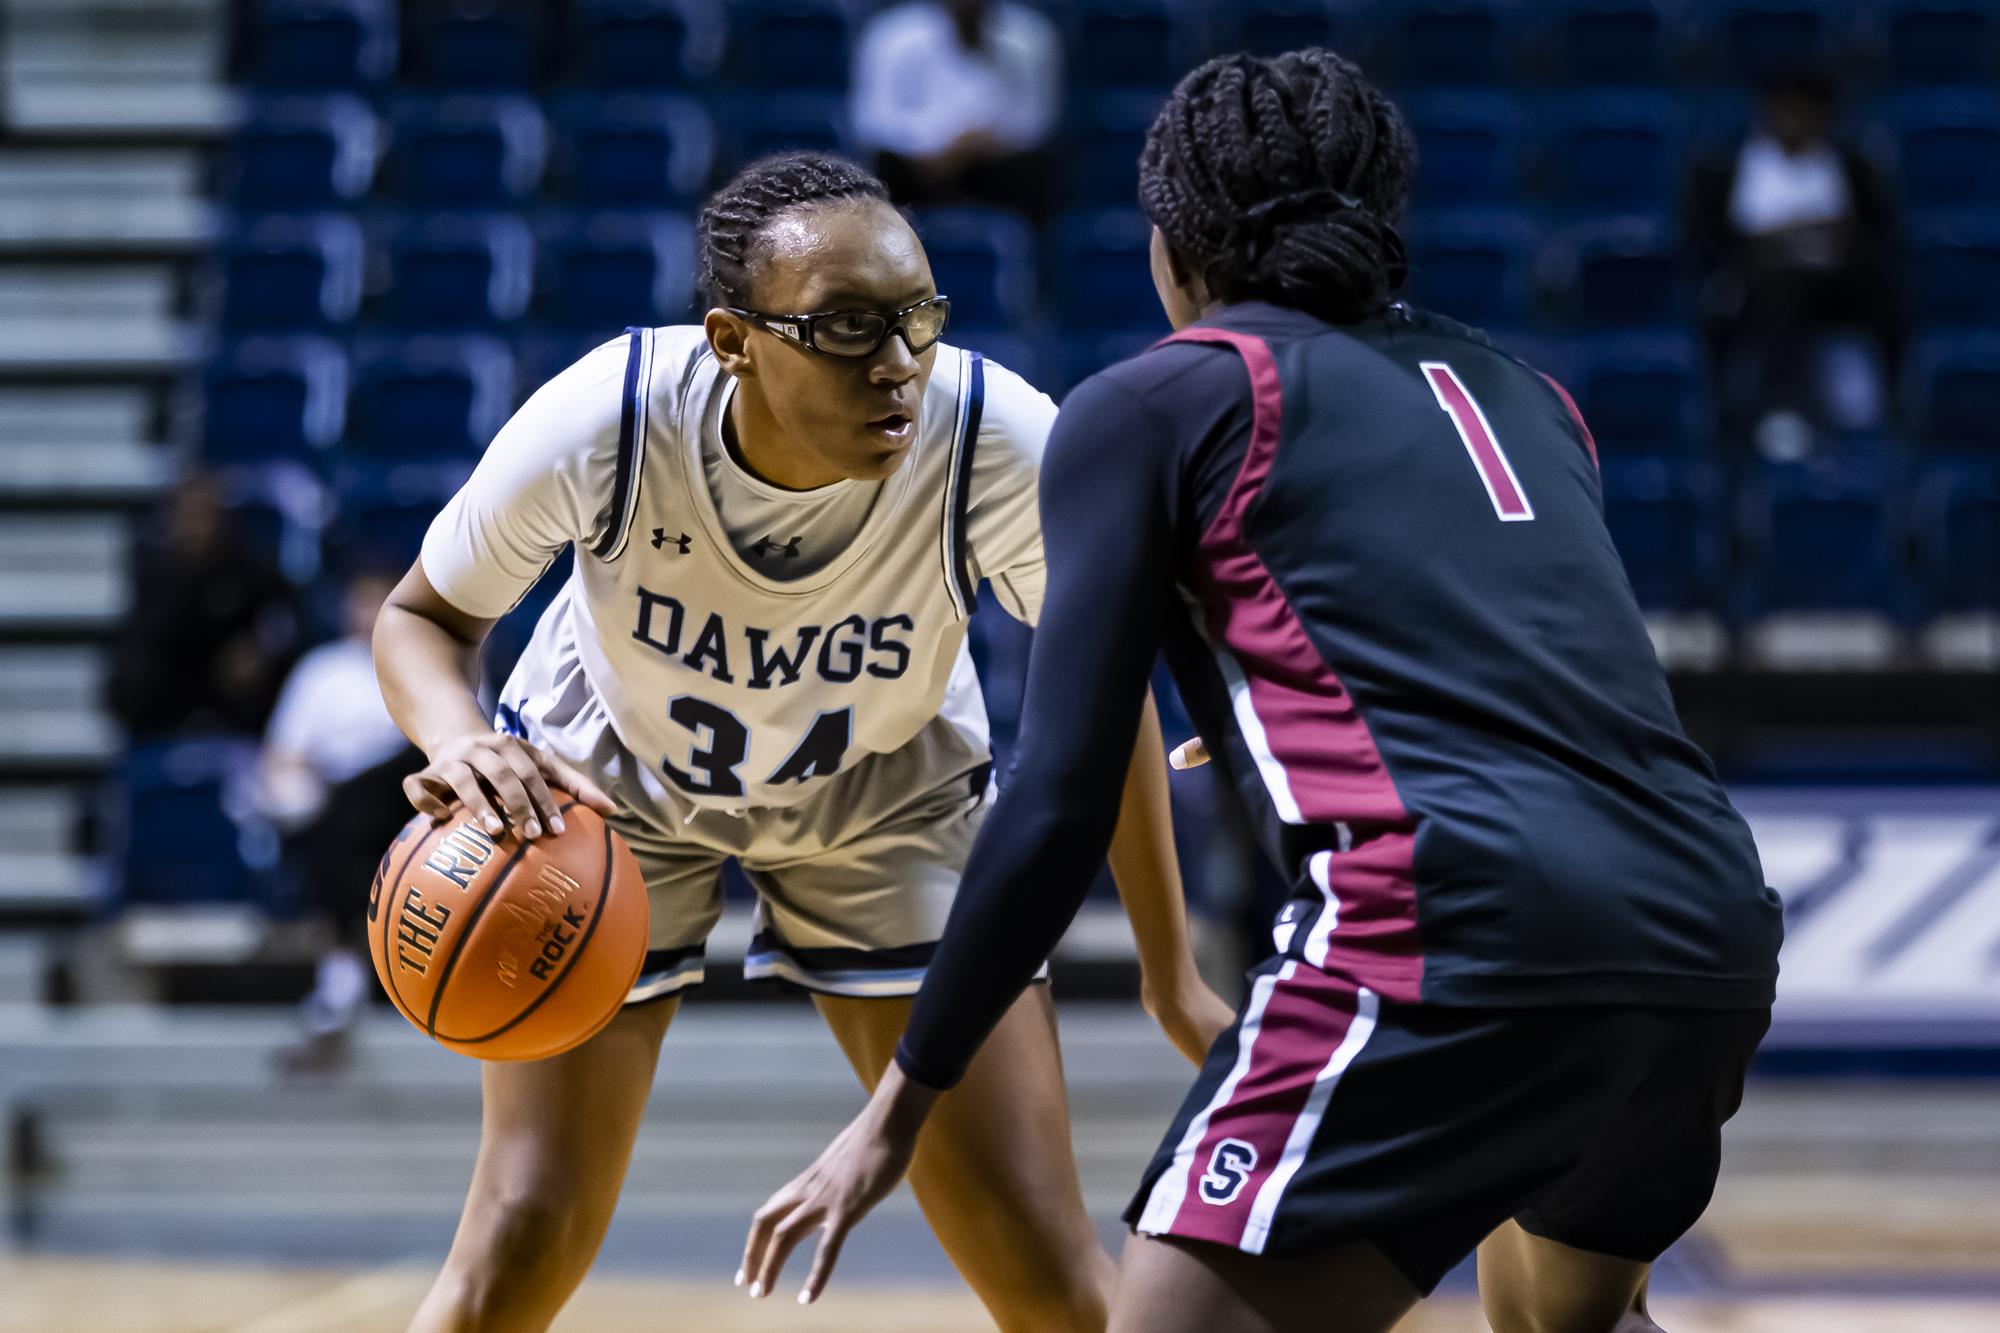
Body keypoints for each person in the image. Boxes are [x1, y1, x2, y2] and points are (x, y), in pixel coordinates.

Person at [743, 51, 1785, 1333]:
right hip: (1702, 933)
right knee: (1563, 1321)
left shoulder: (1157, 399)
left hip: (1453, 924)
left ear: (1172, 243)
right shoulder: (1525, 396)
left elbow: (1056, 798)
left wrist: (898, 1104)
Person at [374, 151, 1228, 1332]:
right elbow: (419, 617)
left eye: (917, 317)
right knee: (518, 1238)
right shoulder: (608, 418)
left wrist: (1167, 969)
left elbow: (1103, 692)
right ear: (732, 340)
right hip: (608, 784)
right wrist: (461, 734)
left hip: (884, 797)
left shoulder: (993, 438)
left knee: (1045, 1265)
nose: (897, 364)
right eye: (846, 328)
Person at [1688, 70, 1904, 458]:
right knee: (1779, 292)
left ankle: (1893, 401)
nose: (1795, 120)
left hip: (1835, 281)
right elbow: (1712, 239)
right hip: (1761, 284)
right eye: (1787, 111)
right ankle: (1782, 409)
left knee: (1882, 287)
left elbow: (1877, 231)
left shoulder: (1849, 164)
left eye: (1805, 112)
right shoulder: (1730, 166)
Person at [257, 567, 421, 1074]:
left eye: (381, 601)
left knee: (390, 778)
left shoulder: (431, 662)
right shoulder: (322, 671)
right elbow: (282, 755)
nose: (369, 613)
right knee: (343, 819)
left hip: (419, 802)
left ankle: (344, 980)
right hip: (340, 807)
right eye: (362, 601)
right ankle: (345, 976)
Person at [107, 471, 299, 739]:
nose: (198, 525)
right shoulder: (156, 572)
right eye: (189, 515)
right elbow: (146, 636)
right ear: (173, 520)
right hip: (172, 687)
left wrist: (261, 648)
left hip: (231, 693)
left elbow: (287, 615)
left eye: (206, 515)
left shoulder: (248, 567)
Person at [851, 0, 1063, 223]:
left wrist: (981, 143)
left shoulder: (1032, 36)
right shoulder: (892, 35)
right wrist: (937, 146)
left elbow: (1037, 120)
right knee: (886, 167)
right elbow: (874, 121)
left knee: (1035, 169)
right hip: (917, 166)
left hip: (996, 163)